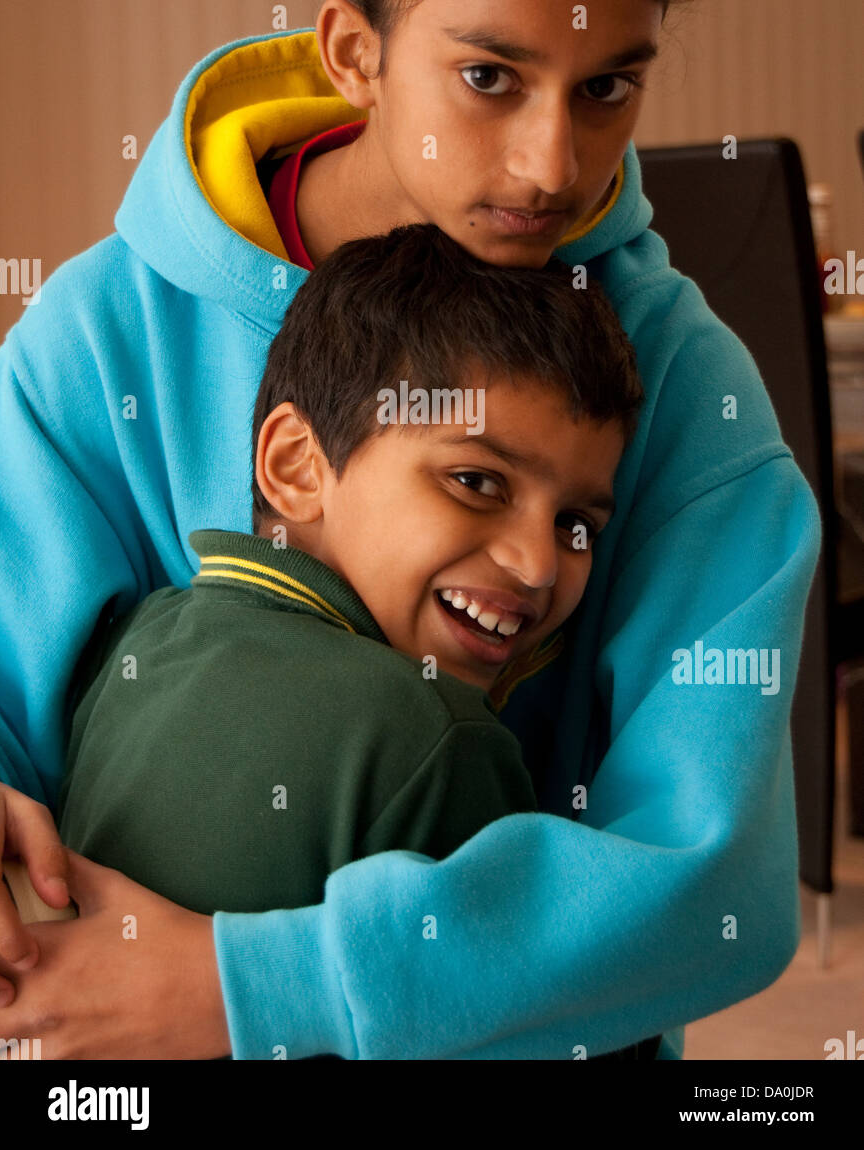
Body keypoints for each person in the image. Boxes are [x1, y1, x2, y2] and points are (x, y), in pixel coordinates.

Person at [0, 0, 819, 1060]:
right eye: (491, 74)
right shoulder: (95, 339)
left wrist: (249, 985)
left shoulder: (688, 392)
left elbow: (711, 888)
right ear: (353, 52)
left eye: (608, 86)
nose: (552, 164)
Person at [54, 222, 656, 1060]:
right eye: (476, 481)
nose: (536, 563)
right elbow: (565, 1023)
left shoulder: (139, 646)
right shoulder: (440, 739)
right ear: (298, 465)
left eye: (576, 524)